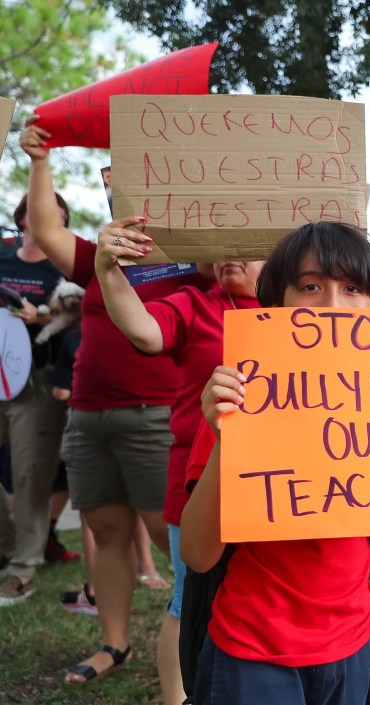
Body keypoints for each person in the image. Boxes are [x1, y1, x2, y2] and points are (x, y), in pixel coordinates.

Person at [181, 221, 370, 705]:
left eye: (352, 289)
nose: (331, 306)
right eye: (310, 287)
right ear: (277, 303)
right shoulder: (238, 398)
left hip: (351, 645)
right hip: (254, 651)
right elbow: (198, 555)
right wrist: (226, 440)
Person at [21, 115, 208, 690]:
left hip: (156, 417)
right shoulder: (104, 260)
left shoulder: (195, 267)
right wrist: (40, 160)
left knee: (168, 536)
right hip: (89, 414)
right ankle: (114, 643)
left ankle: (195, 644)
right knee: (103, 525)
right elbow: (48, 233)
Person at [93, 215, 264, 702]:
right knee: (187, 603)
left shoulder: (298, 310)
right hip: (198, 483)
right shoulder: (194, 304)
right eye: (225, 245)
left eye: (250, 245)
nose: (234, 254)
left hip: (277, 488)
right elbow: (145, 331)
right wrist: (109, 270)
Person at [0, 194, 67, 606]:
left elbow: (79, 315)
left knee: (29, 473)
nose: (44, 221)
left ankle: (24, 568)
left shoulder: (64, 265)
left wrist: (43, 316)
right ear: (22, 217)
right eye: (37, 213)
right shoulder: (3, 256)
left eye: (56, 217)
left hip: (37, 381)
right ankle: (7, 546)